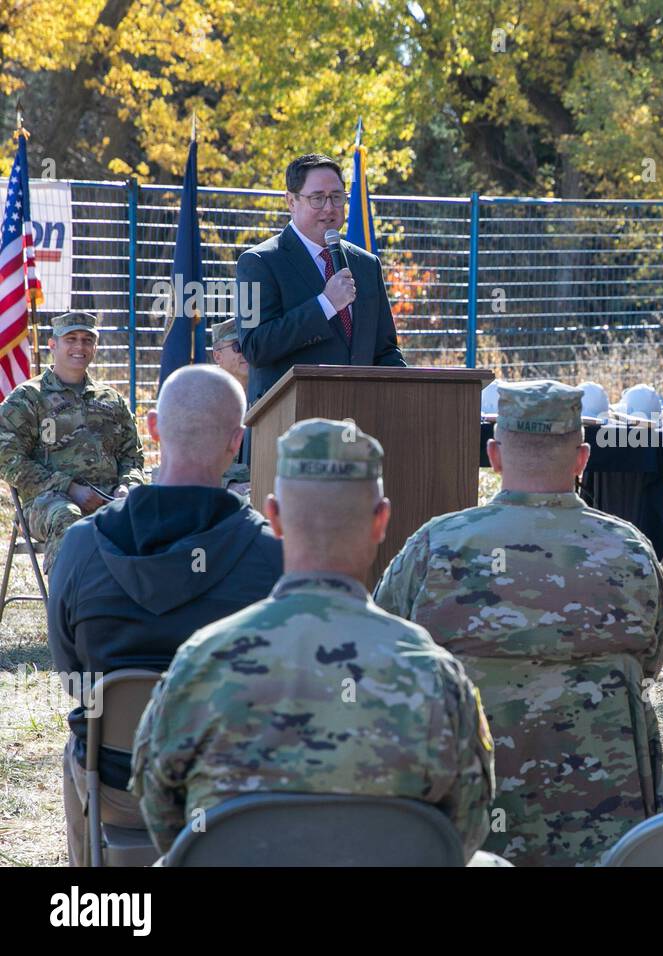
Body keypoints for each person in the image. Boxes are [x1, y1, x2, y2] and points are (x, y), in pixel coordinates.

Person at [131, 418, 493, 862]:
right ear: (381, 520)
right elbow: (462, 834)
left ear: (275, 517)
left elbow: (165, 822)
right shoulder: (436, 676)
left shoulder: (200, 662)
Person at [374, 380, 663, 867]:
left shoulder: (436, 546)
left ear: (493, 454)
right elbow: (652, 662)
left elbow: (386, 659)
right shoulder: (632, 552)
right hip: (607, 838)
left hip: (464, 838)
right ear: (581, 459)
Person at [48, 364, 282, 866]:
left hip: (117, 787)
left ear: (153, 427)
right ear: (237, 442)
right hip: (232, 791)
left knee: (77, 745)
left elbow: (72, 678)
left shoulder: (82, 546)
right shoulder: (269, 556)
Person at [236, 154, 405, 405]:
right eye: (317, 198)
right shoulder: (258, 262)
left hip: (360, 418)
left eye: (337, 197)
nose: (329, 208)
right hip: (290, 420)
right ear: (291, 201)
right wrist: (325, 304)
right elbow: (255, 347)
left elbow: (385, 350)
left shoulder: (366, 264)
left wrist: (408, 393)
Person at [0, 311, 146, 572]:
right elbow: (6, 457)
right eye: (71, 339)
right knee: (68, 516)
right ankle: (68, 606)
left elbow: (132, 457)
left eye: (87, 340)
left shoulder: (111, 400)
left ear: (95, 347)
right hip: (46, 502)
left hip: (109, 498)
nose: (80, 346)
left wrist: (126, 487)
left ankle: (135, 605)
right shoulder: (28, 398)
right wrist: (69, 488)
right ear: (53, 345)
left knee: (151, 515)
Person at [210, 318, 250, 493]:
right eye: (238, 346)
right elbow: (193, 459)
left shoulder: (270, 392)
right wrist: (229, 484)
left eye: (250, 342)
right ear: (218, 356)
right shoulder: (204, 400)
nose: (246, 351)